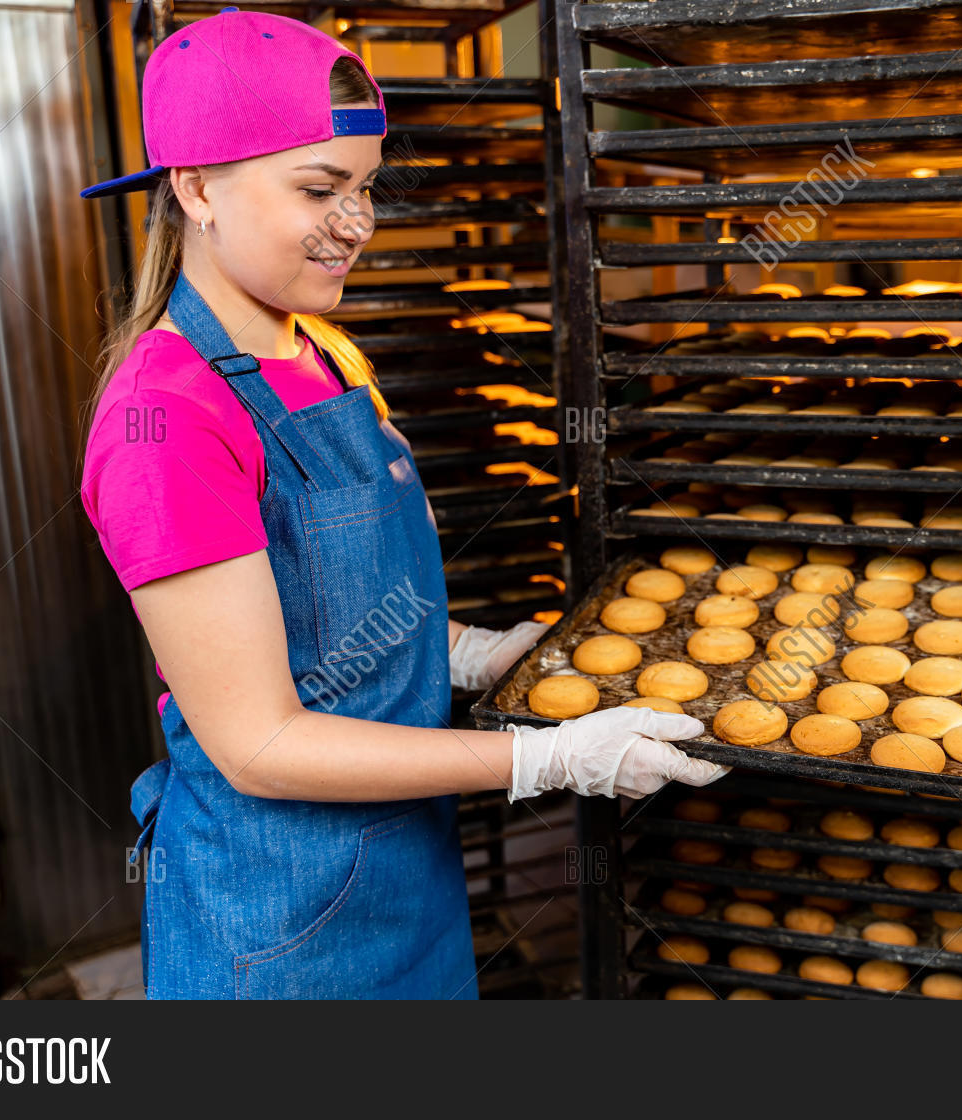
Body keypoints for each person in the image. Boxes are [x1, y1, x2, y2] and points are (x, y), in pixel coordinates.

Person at [78, 7, 725, 1000]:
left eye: (366, 187)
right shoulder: (164, 421)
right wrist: (546, 761)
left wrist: (463, 652)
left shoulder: (318, 351)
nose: (357, 224)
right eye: (319, 189)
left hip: (404, 877)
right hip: (281, 924)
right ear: (198, 187)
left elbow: (324, 606)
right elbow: (259, 741)